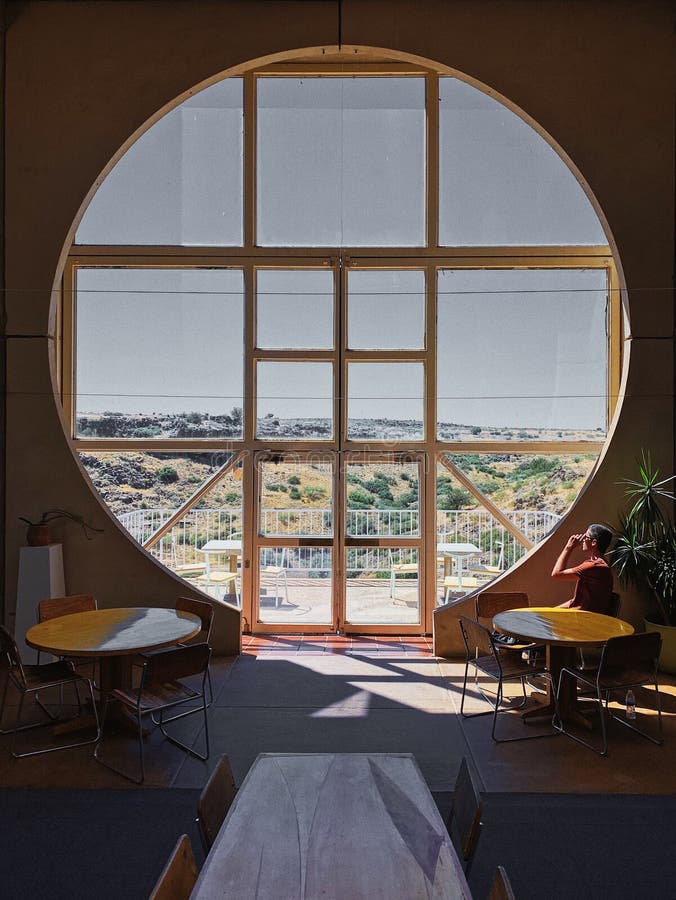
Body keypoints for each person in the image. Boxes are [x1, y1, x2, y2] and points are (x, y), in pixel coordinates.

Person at [551, 523, 614, 614]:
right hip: (581, 615)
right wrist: (552, 610)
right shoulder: (597, 564)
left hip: (584, 618)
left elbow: (557, 574)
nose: (583, 539)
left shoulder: (594, 566)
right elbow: (575, 602)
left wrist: (568, 548)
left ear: (594, 542)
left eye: (586, 537)